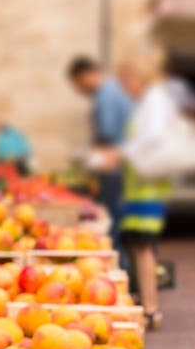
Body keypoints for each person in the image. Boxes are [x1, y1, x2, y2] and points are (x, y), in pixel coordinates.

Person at [97, 47, 174, 330]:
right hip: (142, 186)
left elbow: (151, 138)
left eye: (126, 79)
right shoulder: (152, 100)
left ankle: (151, 308)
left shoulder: (154, 99)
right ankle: (148, 303)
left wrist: (119, 154)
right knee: (138, 243)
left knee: (140, 244)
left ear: (136, 76)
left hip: (147, 187)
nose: (124, 87)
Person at [67, 56, 133, 256]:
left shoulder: (106, 96)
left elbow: (107, 133)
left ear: (85, 75)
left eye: (78, 84)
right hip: (125, 166)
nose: (79, 89)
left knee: (115, 220)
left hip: (115, 168)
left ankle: (123, 267)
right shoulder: (115, 90)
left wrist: (89, 154)